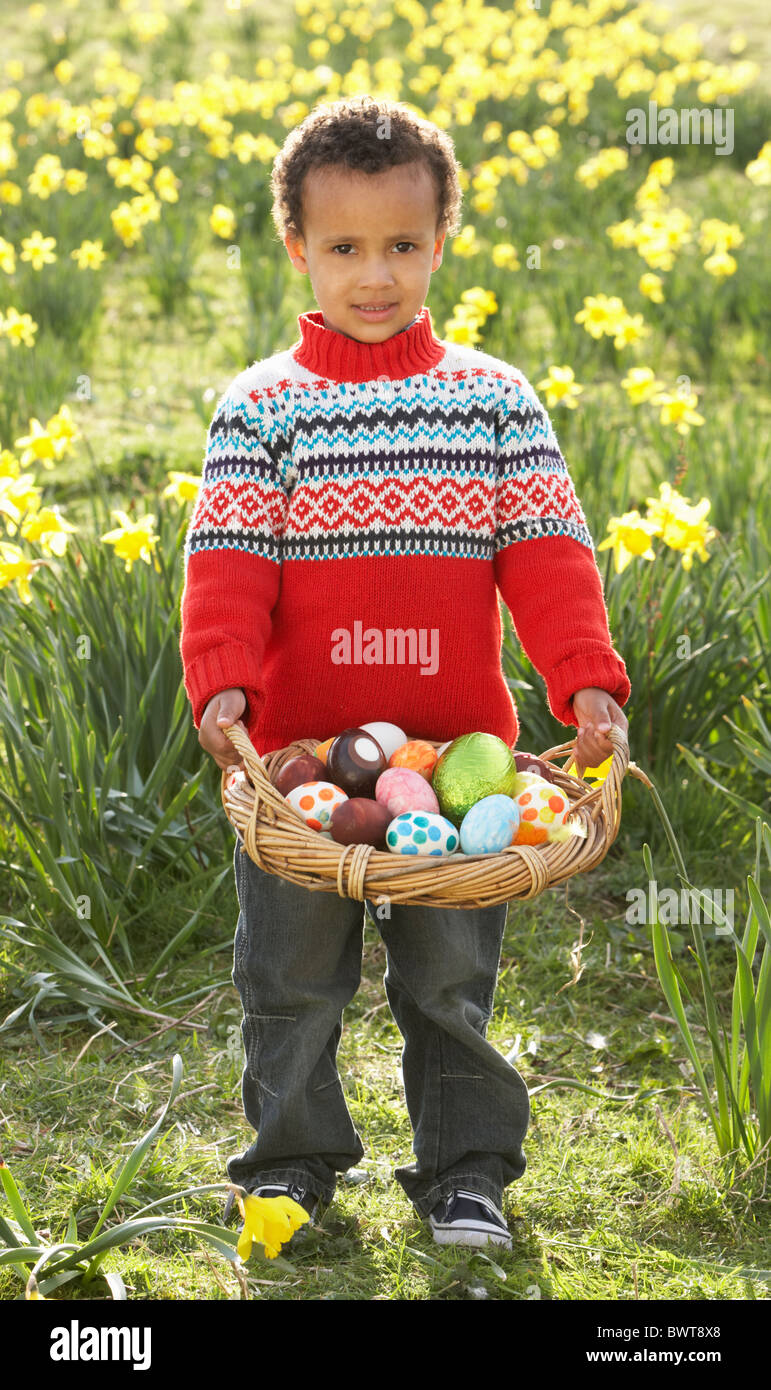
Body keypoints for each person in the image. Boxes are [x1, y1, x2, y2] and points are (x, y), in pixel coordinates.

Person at [179, 96, 630, 1251]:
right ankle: (289, 1163)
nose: (374, 276)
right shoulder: (264, 407)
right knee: (288, 978)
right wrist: (222, 681)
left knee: (447, 984)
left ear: (443, 242)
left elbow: (548, 555)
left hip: (457, 763)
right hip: (298, 772)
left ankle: (467, 1171)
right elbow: (226, 564)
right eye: (344, 247)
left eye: (402, 246)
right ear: (297, 248)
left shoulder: (491, 400)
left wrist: (585, 682)